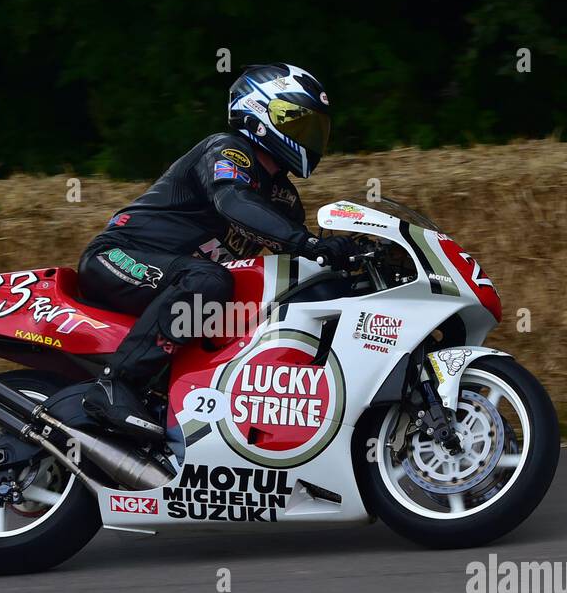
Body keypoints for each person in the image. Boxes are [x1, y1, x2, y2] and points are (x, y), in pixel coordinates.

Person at [77, 62, 357, 441]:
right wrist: (307, 243)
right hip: (118, 256)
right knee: (209, 279)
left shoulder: (284, 199)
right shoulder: (226, 150)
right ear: (258, 112)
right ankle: (114, 385)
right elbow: (233, 201)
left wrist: (344, 259)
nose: (308, 137)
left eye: (314, 128)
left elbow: (291, 262)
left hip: (178, 280)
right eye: (297, 122)